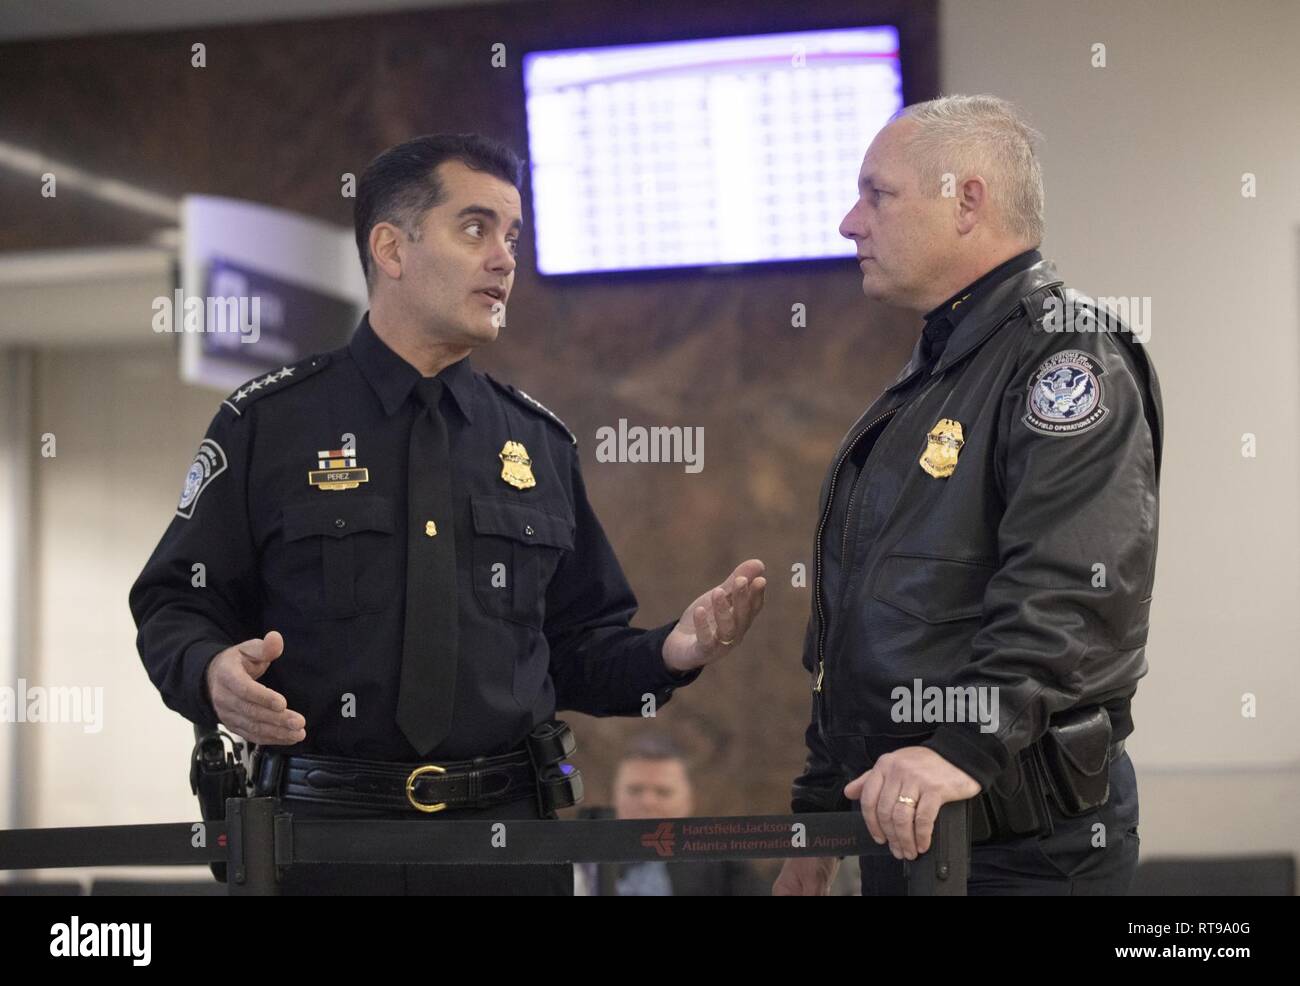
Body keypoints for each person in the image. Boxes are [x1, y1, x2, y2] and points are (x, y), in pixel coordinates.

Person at [129, 133, 766, 896]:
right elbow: (174, 603)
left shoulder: (537, 443)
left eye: (513, 238)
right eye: (475, 229)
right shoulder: (269, 425)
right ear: (391, 249)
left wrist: (671, 652)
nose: (504, 260)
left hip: (504, 846)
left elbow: (576, 651)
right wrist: (210, 672)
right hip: (319, 844)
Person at [772, 95, 1162, 896]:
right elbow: (859, 631)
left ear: (967, 200)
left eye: (877, 194)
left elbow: (1073, 592)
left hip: (1024, 849)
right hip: (906, 828)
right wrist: (819, 814)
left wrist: (963, 746)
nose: (849, 222)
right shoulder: (934, 375)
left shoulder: (1065, 356)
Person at [575, 734, 766, 895]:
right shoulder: (583, 860)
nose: (647, 802)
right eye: (635, 790)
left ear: (689, 800)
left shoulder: (724, 865)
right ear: (614, 796)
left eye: (663, 792)